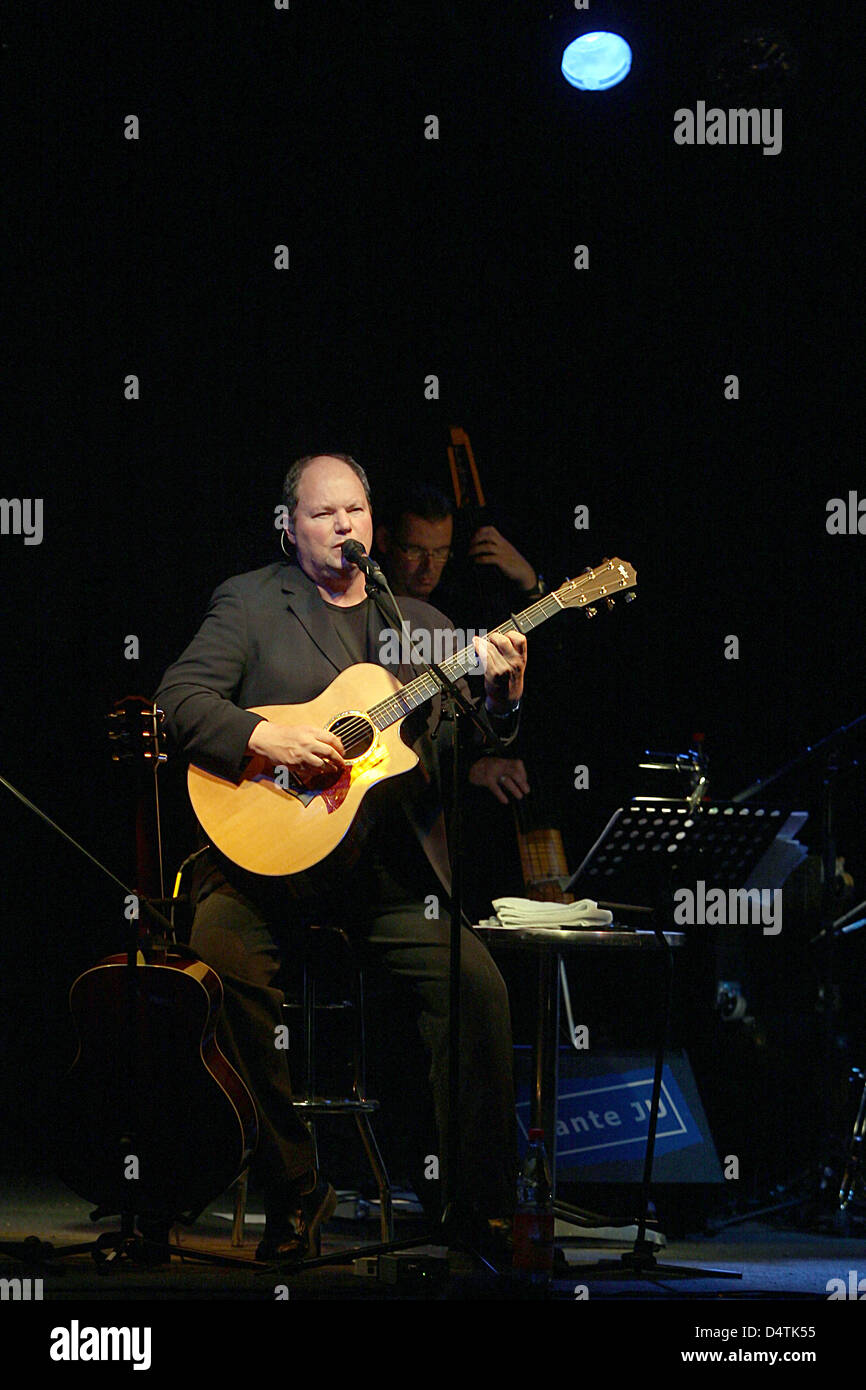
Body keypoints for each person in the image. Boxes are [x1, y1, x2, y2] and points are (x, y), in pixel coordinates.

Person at [155, 453, 528, 1262]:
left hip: (384, 873)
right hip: (260, 865)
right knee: (219, 959)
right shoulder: (252, 603)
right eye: (326, 514)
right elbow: (177, 703)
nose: (346, 526)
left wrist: (502, 698)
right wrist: (266, 735)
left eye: (355, 510)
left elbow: (466, 743)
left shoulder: (419, 625)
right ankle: (297, 1190)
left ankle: (480, 1210)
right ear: (289, 528)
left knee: (478, 988)